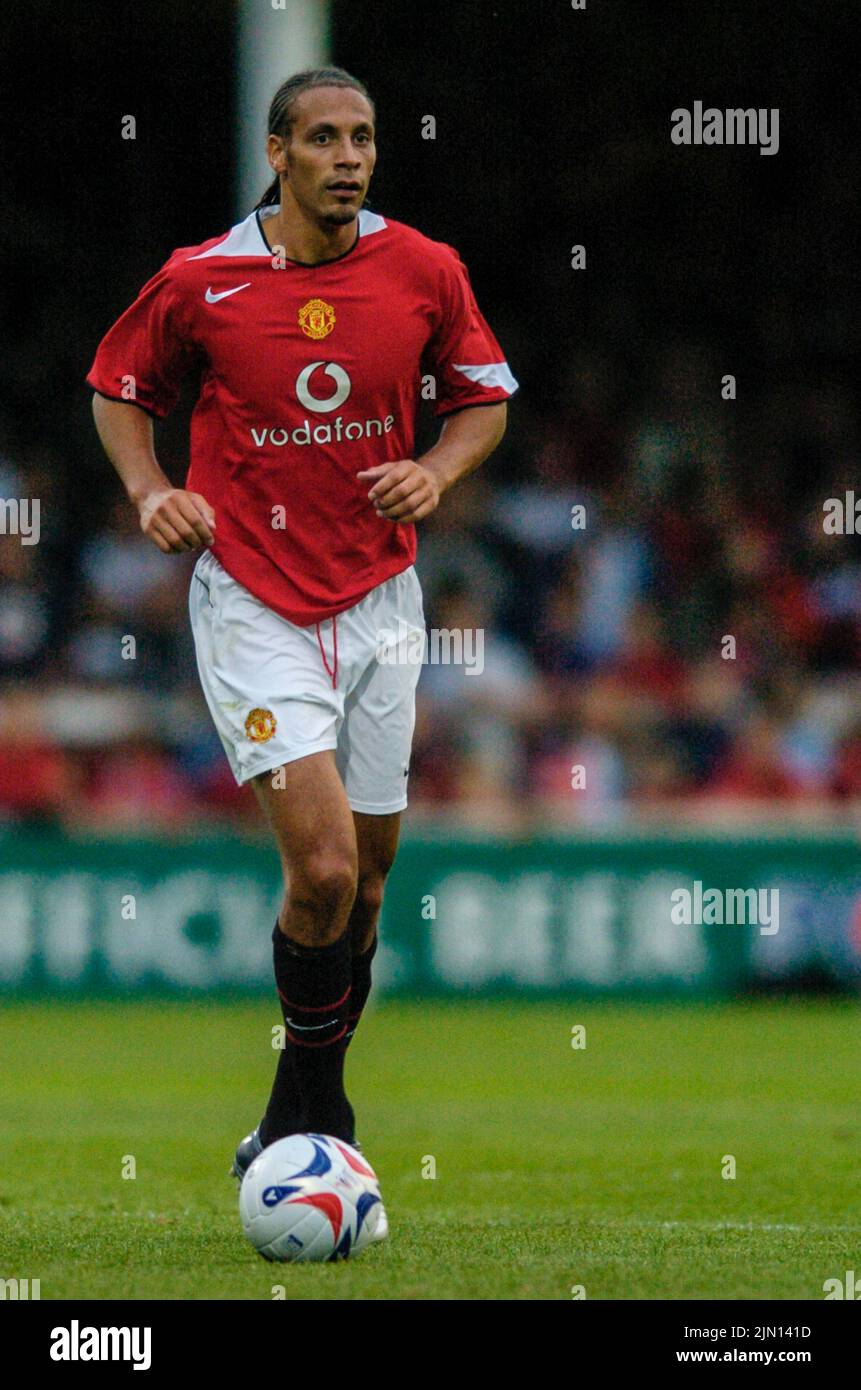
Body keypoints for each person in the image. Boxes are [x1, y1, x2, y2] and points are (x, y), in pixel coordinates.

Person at [86, 66, 518, 1230]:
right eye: (324, 138)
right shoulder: (202, 280)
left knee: (370, 880)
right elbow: (117, 387)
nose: (349, 157)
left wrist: (436, 467)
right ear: (276, 153)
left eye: (365, 138)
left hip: (380, 599)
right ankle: (307, 1117)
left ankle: (300, 1112)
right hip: (257, 601)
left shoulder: (425, 269)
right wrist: (148, 487)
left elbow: (485, 398)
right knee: (321, 869)